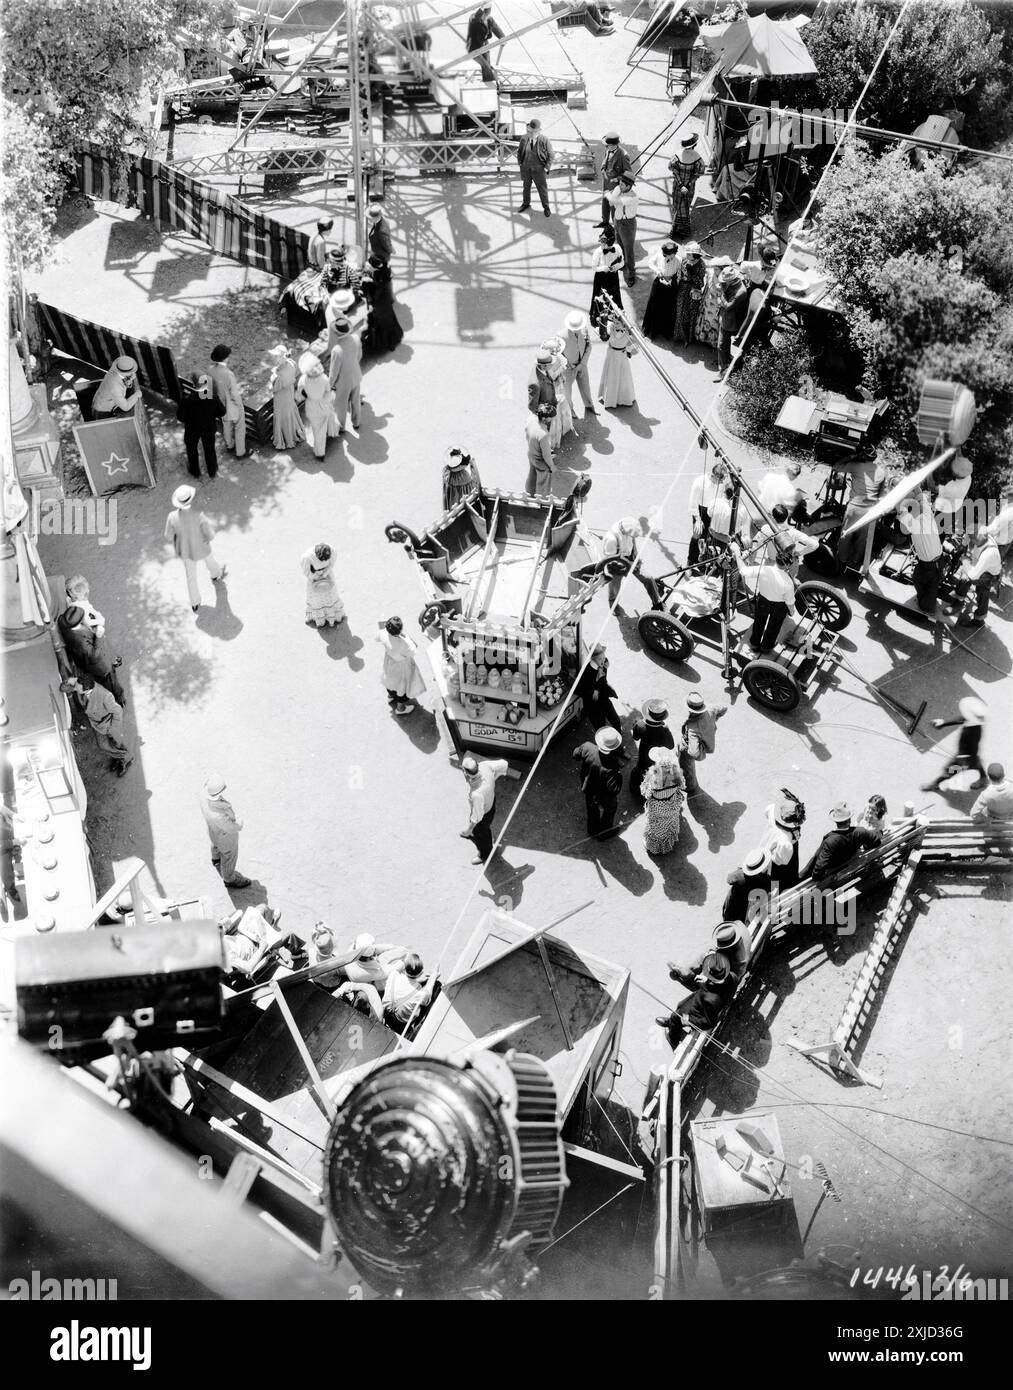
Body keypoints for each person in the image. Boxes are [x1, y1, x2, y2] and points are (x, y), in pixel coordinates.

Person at [334, 953, 437, 1032]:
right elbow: (427, 994)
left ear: (405, 969)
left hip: (386, 1012)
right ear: (421, 972)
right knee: (434, 989)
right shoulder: (421, 994)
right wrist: (433, 977)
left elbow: (403, 983)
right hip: (401, 1023)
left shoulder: (394, 975)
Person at [164, 483, 226, 613]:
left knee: (191, 577)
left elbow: (168, 536)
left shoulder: (171, 517)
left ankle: (195, 602)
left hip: (186, 551)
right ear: (191, 499)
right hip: (201, 546)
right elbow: (209, 534)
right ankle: (216, 574)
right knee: (210, 560)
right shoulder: (199, 515)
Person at [656, 951, 733, 1048]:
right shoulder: (732, 976)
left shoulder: (711, 999)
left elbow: (709, 1022)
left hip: (699, 1012)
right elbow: (722, 986)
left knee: (677, 1016)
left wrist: (690, 1020)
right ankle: (673, 1022)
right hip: (702, 1002)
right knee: (679, 1010)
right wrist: (708, 981)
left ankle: (673, 1038)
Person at [731, 537, 796, 652]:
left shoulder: (763, 570)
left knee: (759, 622)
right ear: (788, 565)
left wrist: (737, 553)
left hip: (763, 601)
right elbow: (790, 601)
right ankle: (766, 646)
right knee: (774, 626)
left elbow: (743, 570)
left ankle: (754, 644)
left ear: (776, 559)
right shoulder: (788, 582)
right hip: (779, 606)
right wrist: (792, 612)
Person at [62, 674, 132, 776]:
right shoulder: (81, 683)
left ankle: (126, 759)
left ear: (86, 689)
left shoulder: (105, 696)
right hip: (97, 724)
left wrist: (114, 728)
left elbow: (118, 711)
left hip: (109, 724)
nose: (75, 688)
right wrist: (68, 682)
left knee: (117, 743)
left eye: (77, 687)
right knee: (103, 745)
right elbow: (63, 687)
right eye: (76, 685)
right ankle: (119, 757)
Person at [459, 754, 521, 864]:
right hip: (491, 803)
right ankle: (476, 833)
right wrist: (493, 777)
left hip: (483, 814)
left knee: (481, 832)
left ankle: (485, 854)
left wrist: (468, 830)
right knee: (478, 826)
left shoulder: (476, 794)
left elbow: (477, 817)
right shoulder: (484, 766)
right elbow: (504, 764)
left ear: (466, 772)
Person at [58, 606, 126, 705]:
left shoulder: (63, 622)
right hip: (101, 667)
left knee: (101, 680)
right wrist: (99, 637)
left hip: (83, 662)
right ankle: (119, 700)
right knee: (112, 683)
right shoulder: (81, 642)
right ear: (80, 621)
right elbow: (95, 656)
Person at [801, 803, 882, 881]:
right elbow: (876, 841)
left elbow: (817, 871)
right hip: (849, 863)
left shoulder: (830, 841)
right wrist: (865, 846)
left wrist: (817, 877)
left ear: (836, 821)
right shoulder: (860, 832)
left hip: (833, 874)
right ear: (849, 820)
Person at [921, 697, 988, 791]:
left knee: (949, 771)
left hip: (964, 758)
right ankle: (984, 778)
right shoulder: (973, 721)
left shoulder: (973, 732)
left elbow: (973, 747)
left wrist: (962, 759)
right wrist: (944, 723)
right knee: (976, 763)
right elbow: (960, 720)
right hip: (969, 756)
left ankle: (935, 784)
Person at [837, 446, 887, 570]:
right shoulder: (881, 471)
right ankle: (854, 562)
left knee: (846, 534)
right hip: (870, 510)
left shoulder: (857, 466)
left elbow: (836, 466)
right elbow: (882, 494)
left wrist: (852, 456)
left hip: (854, 507)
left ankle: (841, 559)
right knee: (863, 538)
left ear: (862, 456)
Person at [896, 490, 944, 617]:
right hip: (936, 559)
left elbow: (902, 522)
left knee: (921, 583)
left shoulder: (912, 523)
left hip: (929, 564)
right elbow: (921, 496)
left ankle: (924, 609)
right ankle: (925, 600)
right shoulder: (927, 513)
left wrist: (900, 504)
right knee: (920, 578)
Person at [199, 774, 251, 889]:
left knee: (215, 843)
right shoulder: (218, 815)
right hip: (225, 837)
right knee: (229, 856)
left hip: (213, 829)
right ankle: (229, 879)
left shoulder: (203, 795)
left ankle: (216, 859)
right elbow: (232, 827)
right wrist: (239, 821)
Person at [573, 727, 624, 839]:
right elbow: (614, 789)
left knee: (592, 809)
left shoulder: (587, 746)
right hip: (604, 794)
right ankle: (604, 833)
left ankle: (592, 831)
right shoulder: (612, 766)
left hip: (588, 787)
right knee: (610, 809)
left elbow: (575, 754)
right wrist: (619, 777)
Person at [949, 525, 1001, 627]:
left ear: (976, 541)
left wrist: (964, 561)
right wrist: (963, 545)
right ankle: (964, 605)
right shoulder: (981, 534)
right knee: (981, 592)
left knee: (967, 579)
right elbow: (969, 536)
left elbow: (973, 575)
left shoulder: (988, 553)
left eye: (972, 542)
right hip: (983, 566)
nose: (970, 544)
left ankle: (960, 604)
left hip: (989, 574)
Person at [670, 922, 750, 988]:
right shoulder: (732, 932)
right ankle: (687, 972)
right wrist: (711, 953)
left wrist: (708, 981)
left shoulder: (739, 960)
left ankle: (690, 975)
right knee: (707, 954)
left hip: (734, 972)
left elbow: (734, 978)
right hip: (732, 944)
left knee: (712, 979)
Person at [175, 373, 224, 479]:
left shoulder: (187, 399)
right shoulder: (213, 397)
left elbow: (180, 417)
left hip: (192, 428)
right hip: (208, 427)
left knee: (191, 448)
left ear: (193, 384)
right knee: (209, 449)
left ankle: (195, 471)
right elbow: (222, 412)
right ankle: (212, 471)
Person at [679, 690, 726, 797]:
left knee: (687, 767)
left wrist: (701, 751)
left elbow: (694, 753)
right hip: (706, 739)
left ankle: (689, 786)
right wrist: (714, 720)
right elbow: (724, 708)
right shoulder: (711, 709)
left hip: (687, 746)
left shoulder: (693, 728)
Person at [376, 615, 426, 716]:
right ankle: (400, 708)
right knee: (402, 686)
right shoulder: (405, 643)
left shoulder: (383, 633)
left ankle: (391, 697)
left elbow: (377, 637)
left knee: (390, 679)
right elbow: (414, 650)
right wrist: (407, 637)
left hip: (389, 662)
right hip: (402, 666)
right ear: (400, 629)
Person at [640, 747, 685, 855]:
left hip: (657, 807)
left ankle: (655, 847)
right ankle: (666, 845)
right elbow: (682, 786)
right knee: (669, 824)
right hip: (673, 803)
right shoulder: (677, 775)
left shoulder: (653, 778)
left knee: (656, 827)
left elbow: (645, 794)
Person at [757, 793, 805, 891]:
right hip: (777, 865)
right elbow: (781, 860)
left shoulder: (771, 811)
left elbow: (767, 811)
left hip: (765, 845)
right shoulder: (785, 840)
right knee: (780, 882)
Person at [754, 503, 819, 574]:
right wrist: (799, 553)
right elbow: (815, 544)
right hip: (789, 564)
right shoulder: (793, 532)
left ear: (773, 517)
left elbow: (755, 545)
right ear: (787, 517)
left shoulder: (765, 528)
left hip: (772, 563)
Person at [297, 351, 339, 459]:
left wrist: (307, 395)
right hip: (323, 405)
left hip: (311, 407)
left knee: (317, 431)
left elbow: (299, 396)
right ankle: (332, 432)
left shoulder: (303, 380)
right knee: (329, 417)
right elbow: (328, 392)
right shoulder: (324, 378)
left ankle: (320, 453)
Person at [629, 699, 675, 798]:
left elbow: (635, 737)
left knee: (641, 769)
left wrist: (635, 725)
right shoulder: (663, 730)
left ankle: (637, 791)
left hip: (643, 753)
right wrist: (667, 730)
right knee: (653, 773)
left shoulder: (640, 724)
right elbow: (671, 746)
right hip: (656, 756)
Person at [209, 345, 247, 459]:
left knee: (226, 425)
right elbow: (234, 394)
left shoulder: (210, 370)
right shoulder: (228, 373)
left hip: (221, 405)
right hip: (232, 405)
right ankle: (240, 452)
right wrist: (240, 406)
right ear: (225, 358)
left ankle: (229, 445)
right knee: (240, 428)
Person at [360, 257, 404, 355]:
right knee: (389, 321)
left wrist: (367, 282)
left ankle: (386, 344)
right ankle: (392, 341)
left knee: (382, 324)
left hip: (380, 305)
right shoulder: (384, 271)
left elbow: (374, 294)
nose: (367, 266)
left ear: (373, 267)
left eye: (369, 265)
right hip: (386, 303)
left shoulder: (377, 276)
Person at [687, 459, 727, 566]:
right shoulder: (700, 482)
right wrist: (698, 519)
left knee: (708, 537)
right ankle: (690, 561)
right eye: (721, 479)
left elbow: (723, 496)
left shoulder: (721, 483)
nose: (722, 482)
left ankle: (702, 559)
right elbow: (692, 502)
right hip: (701, 511)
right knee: (697, 534)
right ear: (714, 476)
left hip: (713, 510)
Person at [576, 644, 622, 731]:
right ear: (593, 659)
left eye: (604, 657)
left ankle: (618, 738)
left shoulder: (604, 662)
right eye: (600, 659)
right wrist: (594, 690)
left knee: (616, 721)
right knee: (601, 728)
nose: (603, 660)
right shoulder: (587, 672)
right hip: (593, 703)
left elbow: (603, 678)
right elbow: (580, 690)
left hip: (603, 697)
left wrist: (597, 688)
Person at [328, 317, 363, 432]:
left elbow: (334, 372)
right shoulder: (356, 339)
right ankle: (356, 422)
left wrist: (329, 385)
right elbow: (359, 356)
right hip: (356, 375)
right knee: (356, 400)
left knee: (341, 405)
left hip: (343, 382)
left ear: (337, 333)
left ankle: (342, 427)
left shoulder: (336, 350)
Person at [668, 133, 705, 240]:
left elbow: (673, 170)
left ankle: (674, 230)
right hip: (689, 188)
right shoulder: (698, 158)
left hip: (677, 186)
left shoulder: (677, 155)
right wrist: (687, 185)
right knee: (684, 207)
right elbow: (697, 174)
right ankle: (683, 231)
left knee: (677, 207)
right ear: (695, 145)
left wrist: (680, 185)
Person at [642, 241, 681, 341]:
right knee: (654, 305)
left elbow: (680, 273)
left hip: (671, 285)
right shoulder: (659, 255)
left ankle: (666, 332)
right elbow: (650, 263)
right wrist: (657, 271)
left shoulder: (679, 260)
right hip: (659, 283)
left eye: (671, 255)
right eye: (667, 255)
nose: (669, 257)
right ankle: (651, 331)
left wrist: (674, 280)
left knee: (668, 308)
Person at [561, 310, 597, 418]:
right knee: (567, 391)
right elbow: (557, 353)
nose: (577, 330)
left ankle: (589, 405)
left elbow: (589, 347)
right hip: (568, 369)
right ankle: (570, 410)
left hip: (582, 366)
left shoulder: (584, 331)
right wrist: (567, 364)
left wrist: (582, 364)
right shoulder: (560, 335)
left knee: (586, 386)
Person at [715, 265, 749, 377]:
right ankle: (724, 364)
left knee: (722, 345)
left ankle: (724, 371)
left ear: (734, 279)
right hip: (725, 317)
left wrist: (721, 297)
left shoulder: (741, 292)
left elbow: (729, 306)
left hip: (731, 321)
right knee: (722, 346)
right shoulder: (731, 284)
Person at [722, 848, 772, 924]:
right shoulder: (764, 881)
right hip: (741, 914)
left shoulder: (738, 875)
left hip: (731, 909)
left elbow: (729, 878)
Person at [598, 314, 636, 409]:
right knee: (611, 375)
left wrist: (627, 349)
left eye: (617, 322)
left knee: (622, 376)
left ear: (623, 323)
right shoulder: (611, 327)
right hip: (611, 355)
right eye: (614, 321)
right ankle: (609, 398)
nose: (615, 324)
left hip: (621, 357)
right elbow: (604, 336)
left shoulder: (628, 333)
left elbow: (635, 345)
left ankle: (624, 398)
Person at [301, 543, 345, 627]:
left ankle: (333, 616)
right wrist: (315, 577)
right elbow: (306, 571)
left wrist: (326, 573)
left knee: (330, 595)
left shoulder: (331, 550)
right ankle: (318, 618)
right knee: (316, 598)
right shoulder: (307, 557)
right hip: (314, 577)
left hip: (327, 575)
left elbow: (331, 564)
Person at [601, 515, 640, 608]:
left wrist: (635, 552)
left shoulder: (627, 525)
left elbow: (633, 539)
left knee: (647, 578)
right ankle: (613, 603)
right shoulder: (611, 539)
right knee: (615, 586)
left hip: (629, 556)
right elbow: (611, 560)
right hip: (616, 564)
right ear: (624, 531)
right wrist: (629, 564)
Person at [516, 118, 553, 217]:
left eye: (534, 131)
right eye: (530, 131)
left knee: (542, 189)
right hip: (526, 168)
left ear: (538, 131)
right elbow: (519, 152)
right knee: (526, 188)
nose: (531, 133)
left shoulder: (544, 140)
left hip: (539, 170)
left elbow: (551, 155)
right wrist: (520, 163)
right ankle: (525, 204)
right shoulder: (524, 138)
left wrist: (546, 168)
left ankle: (546, 207)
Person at [589, 227, 625, 328]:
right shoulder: (598, 252)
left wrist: (617, 266)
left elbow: (622, 261)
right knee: (599, 296)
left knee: (615, 295)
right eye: (601, 242)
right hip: (601, 277)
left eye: (604, 243)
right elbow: (594, 267)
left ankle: (616, 317)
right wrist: (603, 268)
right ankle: (598, 317)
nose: (602, 244)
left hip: (613, 276)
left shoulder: (617, 248)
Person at [608, 174, 639, 287]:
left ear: (629, 186)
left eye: (622, 184)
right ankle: (622, 264)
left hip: (628, 224)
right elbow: (612, 202)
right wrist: (612, 196)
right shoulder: (619, 189)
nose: (619, 186)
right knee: (620, 245)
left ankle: (631, 273)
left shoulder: (633, 197)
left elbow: (615, 201)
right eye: (620, 183)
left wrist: (608, 194)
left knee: (628, 249)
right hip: (618, 220)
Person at [673, 242, 706, 345]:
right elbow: (680, 274)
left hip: (693, 292)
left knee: (690, 314)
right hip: (683, 289)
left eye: (689, 254)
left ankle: (688, 338)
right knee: (680, 312)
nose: (686, 255)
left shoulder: (701, 265)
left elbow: (701, 283)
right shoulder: (684, 261)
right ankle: (679, 336)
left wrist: (692, 275)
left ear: (694, 255)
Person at [600, 132, 633, 227]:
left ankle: (616, 228)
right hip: (606, 181)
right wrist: (603, 169)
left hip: (616, 185)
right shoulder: (607, 149)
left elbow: (628, 173)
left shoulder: (623, 155)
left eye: (608, 145)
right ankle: (605, 221)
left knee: (614, 206)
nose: (606, 147)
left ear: (615, 145)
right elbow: (605, 160)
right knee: (605, 202)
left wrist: (617, 179)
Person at [525, 402, 556, 497]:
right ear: (544, 418)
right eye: (551, 418)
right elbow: (546, 455)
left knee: (532, 474)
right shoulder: (543, 434)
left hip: (531, 453)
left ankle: (529, 492)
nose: (552, 419)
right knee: (544, 480)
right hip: (539, 460)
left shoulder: (531, 420)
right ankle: (542, 498)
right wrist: (551, 466)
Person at [466, 5, 503, 82]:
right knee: (485, 65)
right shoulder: (473, 18)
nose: (485, 16)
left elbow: (496, 28)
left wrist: (503, 39)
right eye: (484, 14)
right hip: (474, 47)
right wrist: (482, 8)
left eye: (487, 13)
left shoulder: (489, 19)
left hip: (485, 46)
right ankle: (491, 81)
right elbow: (475, 18)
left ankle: (487, 81)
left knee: (487, 65)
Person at [528, 349, 557, 413]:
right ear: (544, 366)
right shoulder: (535, 383)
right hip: (546, 416)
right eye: (550, 364)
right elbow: (533, 407)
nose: (552, 365)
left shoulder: (544, 371)